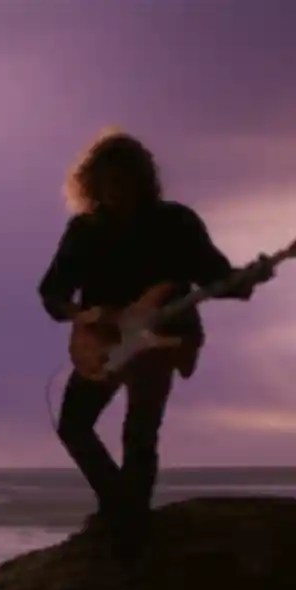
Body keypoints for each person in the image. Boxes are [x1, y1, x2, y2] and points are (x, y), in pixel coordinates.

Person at [37, 129, 272, 553]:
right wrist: (82, 316)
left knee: (140, 432)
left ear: (142, 179)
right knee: (75, 424)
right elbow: (52, 293)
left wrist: (246, 280)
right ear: (92, 182)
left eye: (123, 180)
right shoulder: (85, 229)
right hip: (106, 341)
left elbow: (215, 277)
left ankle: (128, 524)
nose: (115, 189)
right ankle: (123, 509)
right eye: (107, 181)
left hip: (162, 337)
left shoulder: (176, 222)